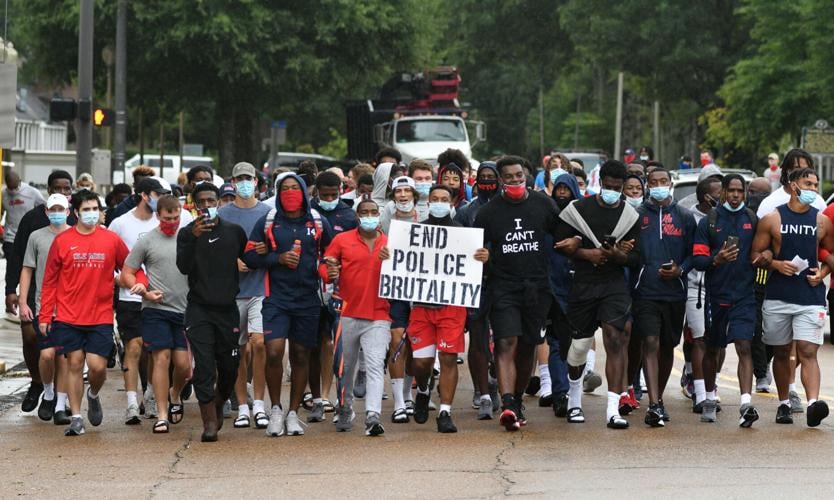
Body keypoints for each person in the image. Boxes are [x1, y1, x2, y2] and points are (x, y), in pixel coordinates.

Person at [473, 155, 562, 431]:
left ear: (525, 176)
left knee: (527, 346)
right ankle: (508, 401)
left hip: (537, 287)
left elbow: (561, 235)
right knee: (505, 341)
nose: (515, 180)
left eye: (519, 176)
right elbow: (472, 248)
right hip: (503, 286)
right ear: (501, 179)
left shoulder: (543, 204)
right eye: (509, 177)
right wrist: (482, 256)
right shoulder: (488, 212)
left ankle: (519, 398)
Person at [244, 172, 333, 437]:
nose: (291, 192)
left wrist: (327, 269)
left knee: (301, 354)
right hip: (275, 298)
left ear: (305, 192)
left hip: (308, 299)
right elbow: (249, 255)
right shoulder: (268, 221)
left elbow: (331, 255)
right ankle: (275, 409)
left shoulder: (317, 221)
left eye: (296, 188)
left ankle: (293, 413)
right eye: (286, 188)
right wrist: (277, 258)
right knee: (273, 352)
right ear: (278, 192)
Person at [39, 190, 130, 436]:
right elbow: (49, 282)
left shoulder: (111, 239)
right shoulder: (62, 241)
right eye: (86, 209)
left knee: (98, 367)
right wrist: (46, 316)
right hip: (68, 315)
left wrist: (138, 282)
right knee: (75, 363)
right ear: (76, 212)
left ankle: (94, 393)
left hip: (99, 314)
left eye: (95, 209)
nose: (92, 213)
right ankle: (77, 418)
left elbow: (130, 266)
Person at [557, 160, 640, 429]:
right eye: (609, 186)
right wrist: (584, 252)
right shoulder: (577, 210)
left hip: (613, 285)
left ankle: (613, 410)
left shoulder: (630, 216)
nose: (613, 191)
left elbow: (638, 257)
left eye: (619, 187)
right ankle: (574, 401)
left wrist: (619, 255)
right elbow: (560, 244)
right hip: (583, 283)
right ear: (600, 182)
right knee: (579, 346)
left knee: (615, 340)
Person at [752, 168, 834, 427]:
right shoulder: (772, 219)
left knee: (809, 351)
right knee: (782, 350)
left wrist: (821, 273)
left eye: (815, 184)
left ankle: (813, 405)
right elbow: (754, 257)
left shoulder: (822, 221)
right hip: (778, 296)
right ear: (792, 185)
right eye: (807, 183)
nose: (812, 189)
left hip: (810, 297)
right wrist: (776, 264)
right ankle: (784, 403)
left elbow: (831, 254)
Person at [406, 185, 489, 433]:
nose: (439, 202)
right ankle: (423, 389)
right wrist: (388, 255)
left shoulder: (464, 234)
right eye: (435, 199)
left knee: (448, 358)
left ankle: (445, 412)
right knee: (422, 364)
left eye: (444, 199)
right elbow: (402, 261)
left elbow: (473, 269)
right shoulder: (415, 232)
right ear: (427, 203)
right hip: (421, 307)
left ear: (452, 203)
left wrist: (483, 258)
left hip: (452, 307)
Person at [176, 182, 247, 442]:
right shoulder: (186, 234)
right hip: (199, 309)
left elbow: (247, 258)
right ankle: (208, 421)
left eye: (211, 200)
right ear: (193, 205)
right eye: (201, 202)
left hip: (227, 308)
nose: (207, 206)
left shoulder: (234, 231)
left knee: (230, 365)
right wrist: (194, 238)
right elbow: (183, 267)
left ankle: (219, 401)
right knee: (204, 366)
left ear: (219, 202)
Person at [692, 174, 761, 427]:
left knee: (744, 345)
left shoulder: (752, 220)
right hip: (716, 295)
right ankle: (710, 398)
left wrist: (763, 255)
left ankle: (745, 404)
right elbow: (698, 260)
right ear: (722, 193)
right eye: (730, 191)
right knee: (714, 348)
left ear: (744, 193)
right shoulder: (710, 221)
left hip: (744, 295)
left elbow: (765, 249)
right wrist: (716, 259)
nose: (734, 195)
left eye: (739, 191)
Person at [121, 195, 191, 433]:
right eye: (167, 217)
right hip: (156, 309)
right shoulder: (147, 240)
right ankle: (162, 414)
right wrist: (142, 291)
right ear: (158, 216)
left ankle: (175, 393)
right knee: (161, 359)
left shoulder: (189, 237)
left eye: (176, 217)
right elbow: (127, 272)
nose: (172, 221)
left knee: (182, 365)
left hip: (186, 310)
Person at [109, 177, 176, 424]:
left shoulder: (171, 221)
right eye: (159, 193)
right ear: (145, 195)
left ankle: (149, 394)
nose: (165, 197)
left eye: (168, 193)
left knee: (157, 351)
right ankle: (130, 404)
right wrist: (120, 280)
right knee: (134, 346)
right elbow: (110, 257)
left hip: (164, 298)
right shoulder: (120, 223)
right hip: (131, 297)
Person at [633, 168, 696, 427]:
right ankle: (654, 403)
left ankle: (659, 398)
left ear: (670, 184)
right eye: (653, 182)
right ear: (647, 185)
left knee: (667, 346)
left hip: (675, 293)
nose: (659, 186)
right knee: (650, 341)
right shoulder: (636, 215)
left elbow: (696, 252)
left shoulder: (684, 216)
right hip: (645, 291)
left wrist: (681, 269)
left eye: (663, 182)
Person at [321, 198, 390, 435]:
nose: (369, 215)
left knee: (374, 364)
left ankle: (373, 415)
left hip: (380, 314)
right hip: (346, 313)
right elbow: (326, 265)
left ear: (379, 214)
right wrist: (329, 271)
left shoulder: (391, 243)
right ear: (357, 216)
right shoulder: (342, 240)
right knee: (345, 367)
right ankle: (345, 406)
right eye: (365, 212)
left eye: (374, 212)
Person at [10, 170, 75, 413]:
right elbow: (22, 263)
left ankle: (61, 402)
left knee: (65, 356)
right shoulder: (34, 229)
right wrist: (19, 296)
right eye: (57, 190)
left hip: (71, 306)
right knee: (44, 351)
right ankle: (42, 386)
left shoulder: (78, 232)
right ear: (47, 208)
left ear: (69, 210)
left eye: (67, 190)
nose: (62, 194)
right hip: (43, 303)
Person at [217, 162, 272, 430]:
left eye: (248, 178)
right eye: (239, 178)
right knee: (236, 350)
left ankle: (259, 404)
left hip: (261, 288)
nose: (244, 182)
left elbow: (277, 248)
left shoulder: (268, 212)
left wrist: (265, 252)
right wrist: (231, 261)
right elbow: (212, 251)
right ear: (232, 181)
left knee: (259, 343)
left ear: (257, 181)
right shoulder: (222, 213)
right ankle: (241, 406)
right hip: (233, 292)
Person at [308, 171, 357, 422]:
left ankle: (338, 399)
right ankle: (318, 397)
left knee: (338, 346)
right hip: (311, 286)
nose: (329, 198)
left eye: (334, 194)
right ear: (316, 191)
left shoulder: (349, 215)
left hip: (340, 288)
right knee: (315, 344)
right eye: (324, 195)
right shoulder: (306, 213)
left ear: (341, 189)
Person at [455, 161, 500, 418]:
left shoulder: (507, 208)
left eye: (490, 177)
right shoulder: (467, 212)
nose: (486, 180)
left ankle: (501, 386)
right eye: (482, 177)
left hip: (503, 282)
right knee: (478, 338)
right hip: (475, 284)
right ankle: (482, 391)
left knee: (505, 340)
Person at [681, 177, 722, 407]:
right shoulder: (690, 219)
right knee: (699, 339)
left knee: (717, 342)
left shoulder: (729, 216)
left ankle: (712, 386)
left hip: (721, 286)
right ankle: (699, 393)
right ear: (707, 197)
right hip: (695, 287)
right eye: (720, 192)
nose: (726, 196)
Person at [545, 173, 583, 418]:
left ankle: (574, 393)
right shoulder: (546, 219)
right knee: (557, 343)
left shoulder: (582, 219)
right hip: (550, 290)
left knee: (577, 345)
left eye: (566, 190)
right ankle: (560, 394)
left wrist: (578, 241)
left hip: (578, 290)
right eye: (557, 189)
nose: (561, 194)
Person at [3, 169, 46, 318]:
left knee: (27, 267)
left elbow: (44, 207)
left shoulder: (32, 192)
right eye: (10, 188)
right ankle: (12, 294)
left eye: (15, 187)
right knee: (13, 263)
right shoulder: (3, 194)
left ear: (20, 182)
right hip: (10, 235)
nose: (13, 191)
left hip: (27, 235)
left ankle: (25, 296)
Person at [746, 178, 775, 390]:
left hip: (766, 276)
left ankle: (766, 361)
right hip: (745, 278)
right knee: (754, 327)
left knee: (771, 328)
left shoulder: (772, 217)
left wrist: (769, 253)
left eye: (761, 194)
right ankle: (761, 373)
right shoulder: (744, 215)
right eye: (752, 192)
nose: (755, 197)